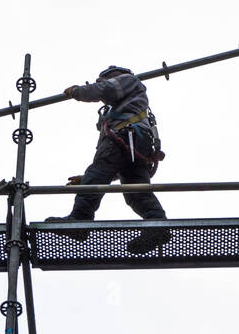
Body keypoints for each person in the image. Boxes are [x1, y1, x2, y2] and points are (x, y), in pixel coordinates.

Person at [45, 65, 171, 254]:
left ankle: (80, 220)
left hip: (125, 136)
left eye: (101, 79)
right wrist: (89, 178)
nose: (99, 83)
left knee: (98, 177)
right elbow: (112, 165)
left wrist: (77, 92)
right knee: (137, 191)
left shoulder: (127, 80)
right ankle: (157, 226)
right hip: (134, 142)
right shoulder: (123, 103)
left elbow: (106, 89)